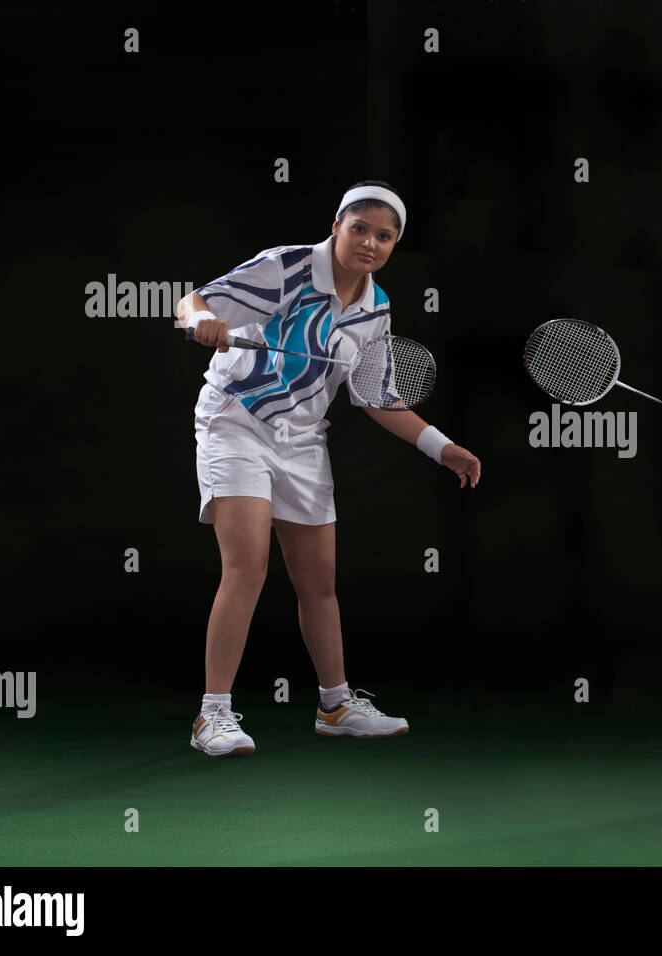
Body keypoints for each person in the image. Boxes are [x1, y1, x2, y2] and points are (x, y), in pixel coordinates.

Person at [176, 181, 481, 757]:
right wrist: (201, 322)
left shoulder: (376, 310)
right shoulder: (286, 268)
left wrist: (443, 447)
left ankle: (336, 706)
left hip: (303, 442)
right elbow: (193, 301)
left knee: (318, 582)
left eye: (385, 236)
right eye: (360, 228)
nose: (371, 242)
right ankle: (211, 716)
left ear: (394, 245)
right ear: (337, 225)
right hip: (236, 421)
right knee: (248, 566)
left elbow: (375, 397)